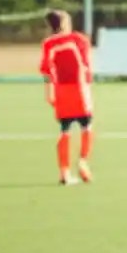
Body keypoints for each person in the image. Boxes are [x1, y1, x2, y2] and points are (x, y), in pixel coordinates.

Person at [38, 10, 94, 184]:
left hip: (60, 91)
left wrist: (48, 92)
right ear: (63, 23)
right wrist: (88, 85)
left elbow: (46, 70)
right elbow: (86, 65)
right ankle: (83, 161)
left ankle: (64, 171)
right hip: (79, 89)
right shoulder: (78, 40)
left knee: (65, 130)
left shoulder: (48, 44)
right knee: (87, 126)